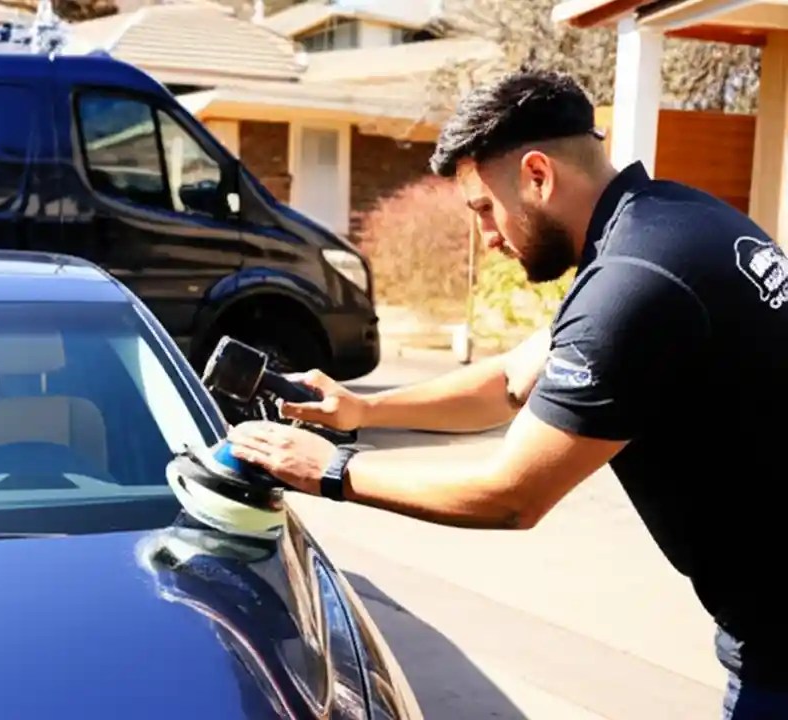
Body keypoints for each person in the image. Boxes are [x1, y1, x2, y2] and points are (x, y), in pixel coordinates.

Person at [224, 69, 788, 719]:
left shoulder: (634, 283)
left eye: (484, 210)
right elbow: (512, 380)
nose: (487, 238)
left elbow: (513, 495)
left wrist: (328, 471)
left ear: (539, 176)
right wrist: (365, 409)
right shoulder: (672, 222)